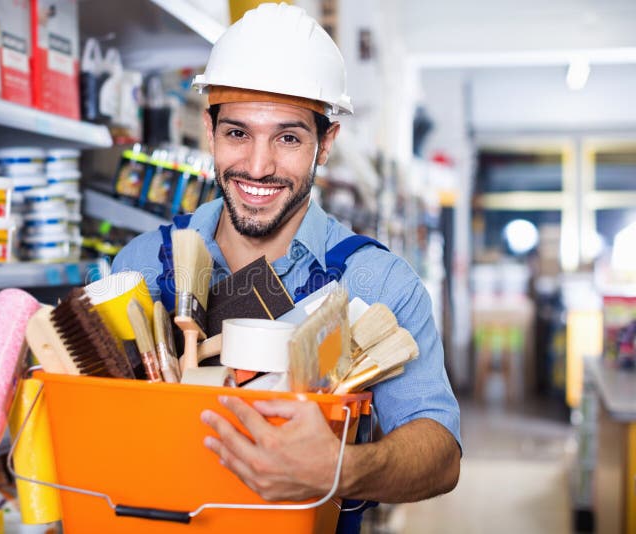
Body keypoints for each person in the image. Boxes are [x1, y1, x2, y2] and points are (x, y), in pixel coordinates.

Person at [112, 2, 461, 529]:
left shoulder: (378, 282)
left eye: (288, 137)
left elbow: (440, 454)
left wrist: (341, 468)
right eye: (237, 133)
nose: (258, 166)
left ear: (326, 144)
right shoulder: (140, 265)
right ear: (209, 130)